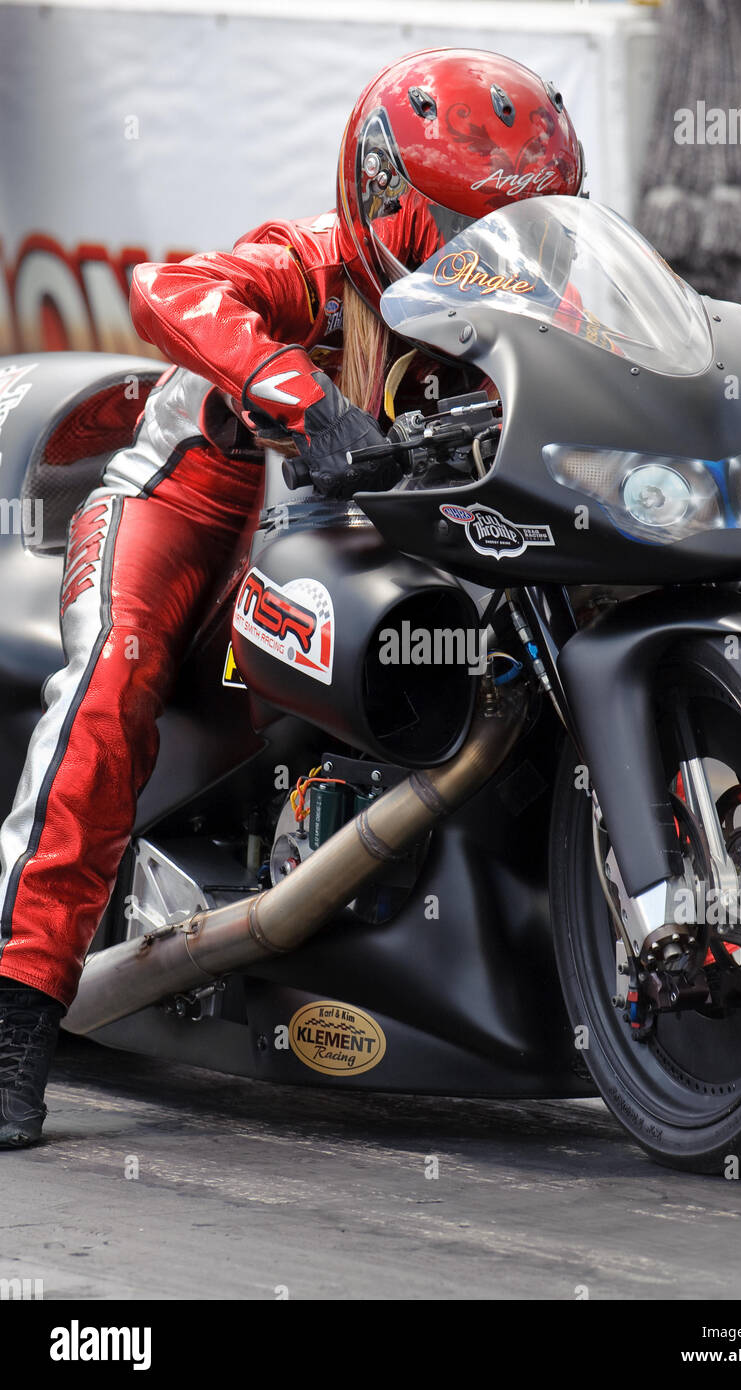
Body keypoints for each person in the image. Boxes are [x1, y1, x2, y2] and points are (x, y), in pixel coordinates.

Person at [0, 48, 585, 1146]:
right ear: (384, 205)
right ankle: (17, 1007)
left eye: (526, 222)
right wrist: (305, 397)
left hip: (370, 542)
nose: (490, 254)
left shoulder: (528, 311)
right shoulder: (316, 266)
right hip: (193, 513)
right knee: (113, 673)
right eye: (461, 227)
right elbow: (166, 289)